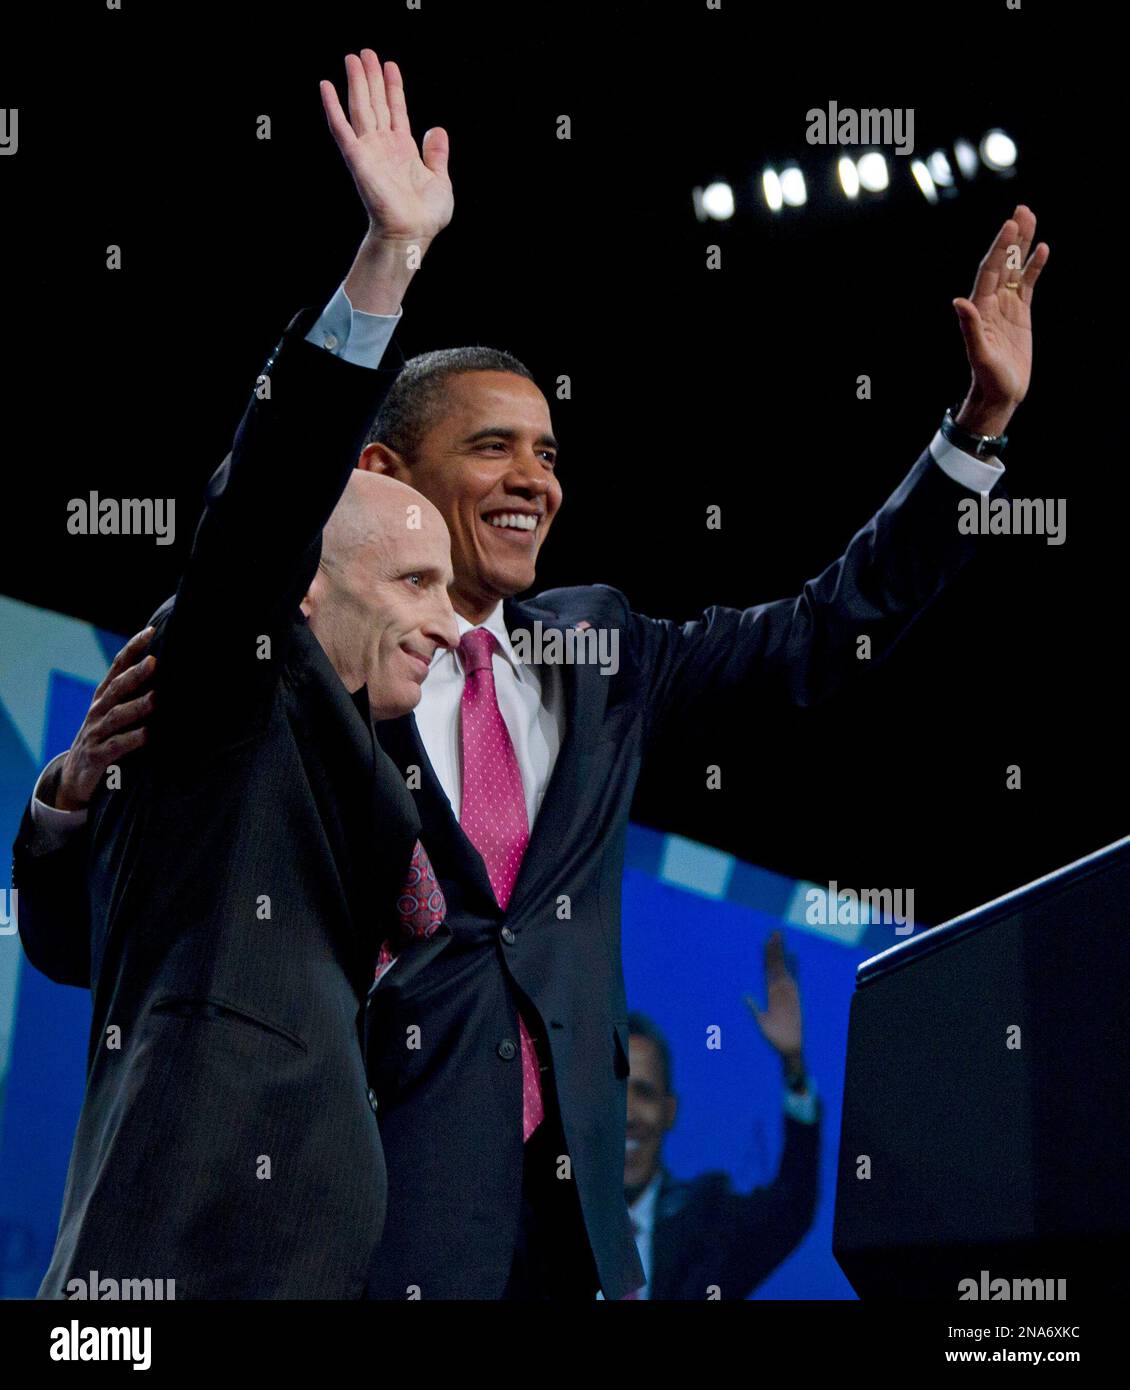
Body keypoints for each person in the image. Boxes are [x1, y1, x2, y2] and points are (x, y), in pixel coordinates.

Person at [18, 47, 1050, 1301]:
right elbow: (103, 930)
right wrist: (385, 261)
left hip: (579, 1239)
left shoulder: (600, 648)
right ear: (386, 472)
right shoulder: (290, 663)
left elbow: (823, 630)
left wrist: (973, 436)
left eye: (549, 451)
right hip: (367, 1212)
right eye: (492, 444)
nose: (536, 477)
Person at [15, 50, 460, 1298]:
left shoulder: (346, 758)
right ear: (308, 589)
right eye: (413, 585)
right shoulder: (241, 679)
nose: (447, 620)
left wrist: (64, 815)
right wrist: (389, 264)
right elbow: (264, 501)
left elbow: (81, 950)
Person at [621, 933, 820, 1300]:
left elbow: (791, 1207)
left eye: (644, 1092)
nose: (627, 1114)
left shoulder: (708, 1217)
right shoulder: (548, 1228)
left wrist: (793, 1065)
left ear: (670, 1112)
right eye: (613, 1094)